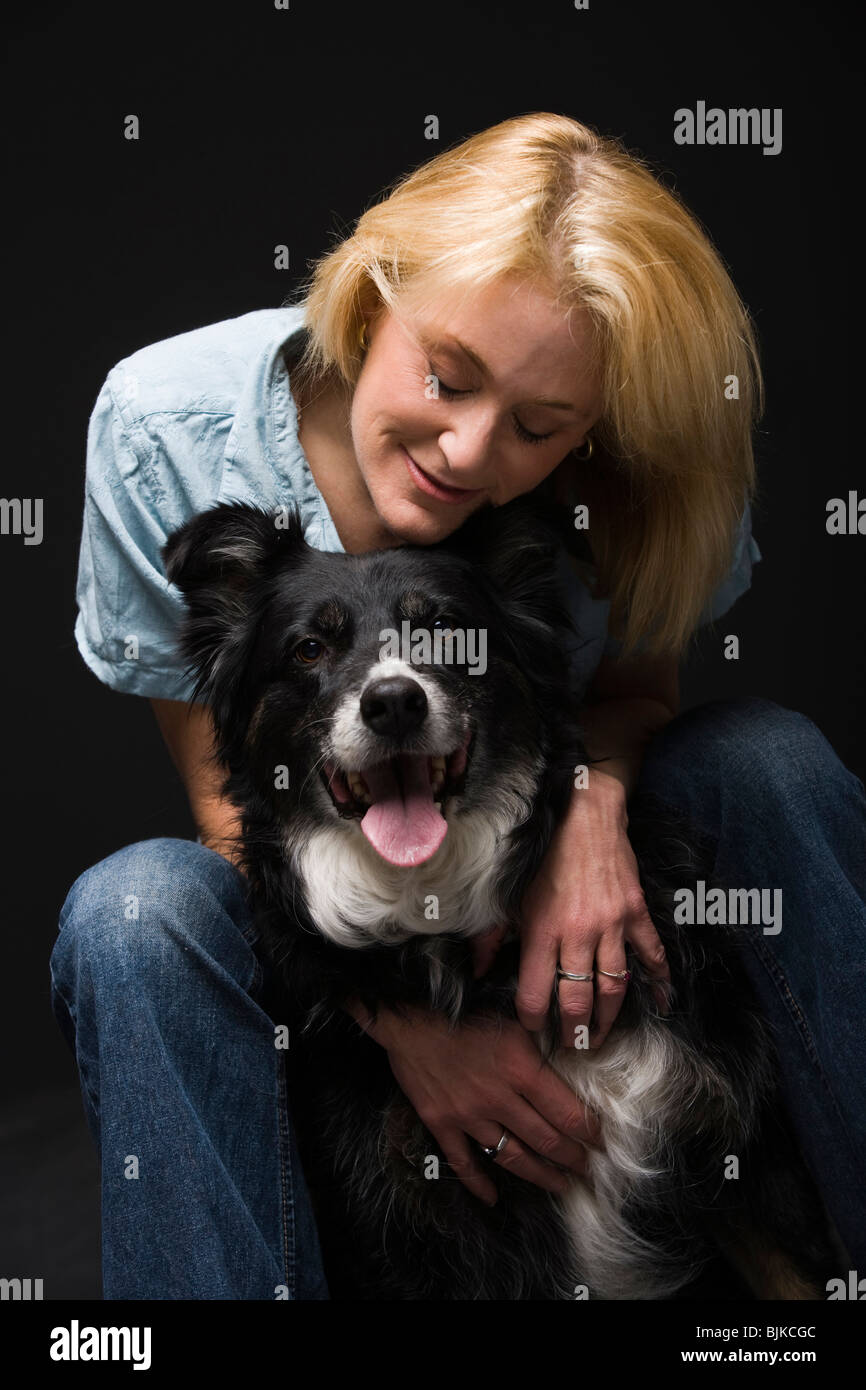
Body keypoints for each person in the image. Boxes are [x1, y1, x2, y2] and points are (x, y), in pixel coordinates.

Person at [50, 112, 866, 1300]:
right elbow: (241, 807)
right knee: (136, 909)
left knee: (763, 762)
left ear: (597, 426)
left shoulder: (639, 468)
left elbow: (638, 696)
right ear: (375, 291)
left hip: (551, 812)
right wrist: (414, 1033)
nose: (470, 450)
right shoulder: (164, 429)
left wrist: (589, 812)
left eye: (540, 428)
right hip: (343, 908)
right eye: (447, 376)